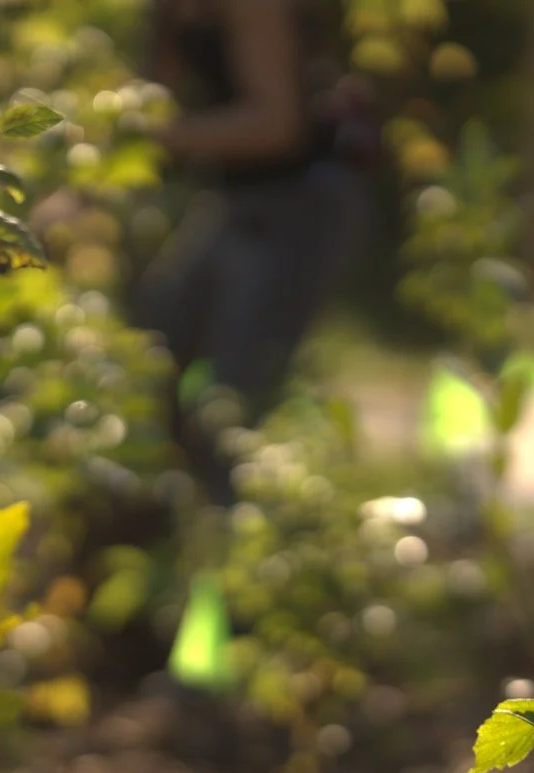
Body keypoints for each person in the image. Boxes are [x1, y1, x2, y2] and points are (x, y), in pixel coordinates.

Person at [133, 0, 372, 500]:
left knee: (232, 402)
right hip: (232, 199)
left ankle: (238, 545)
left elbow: (276, 124)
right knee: (149, 357)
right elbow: (154, 92)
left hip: (296, 204)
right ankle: (168, 530)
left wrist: (148, 135)